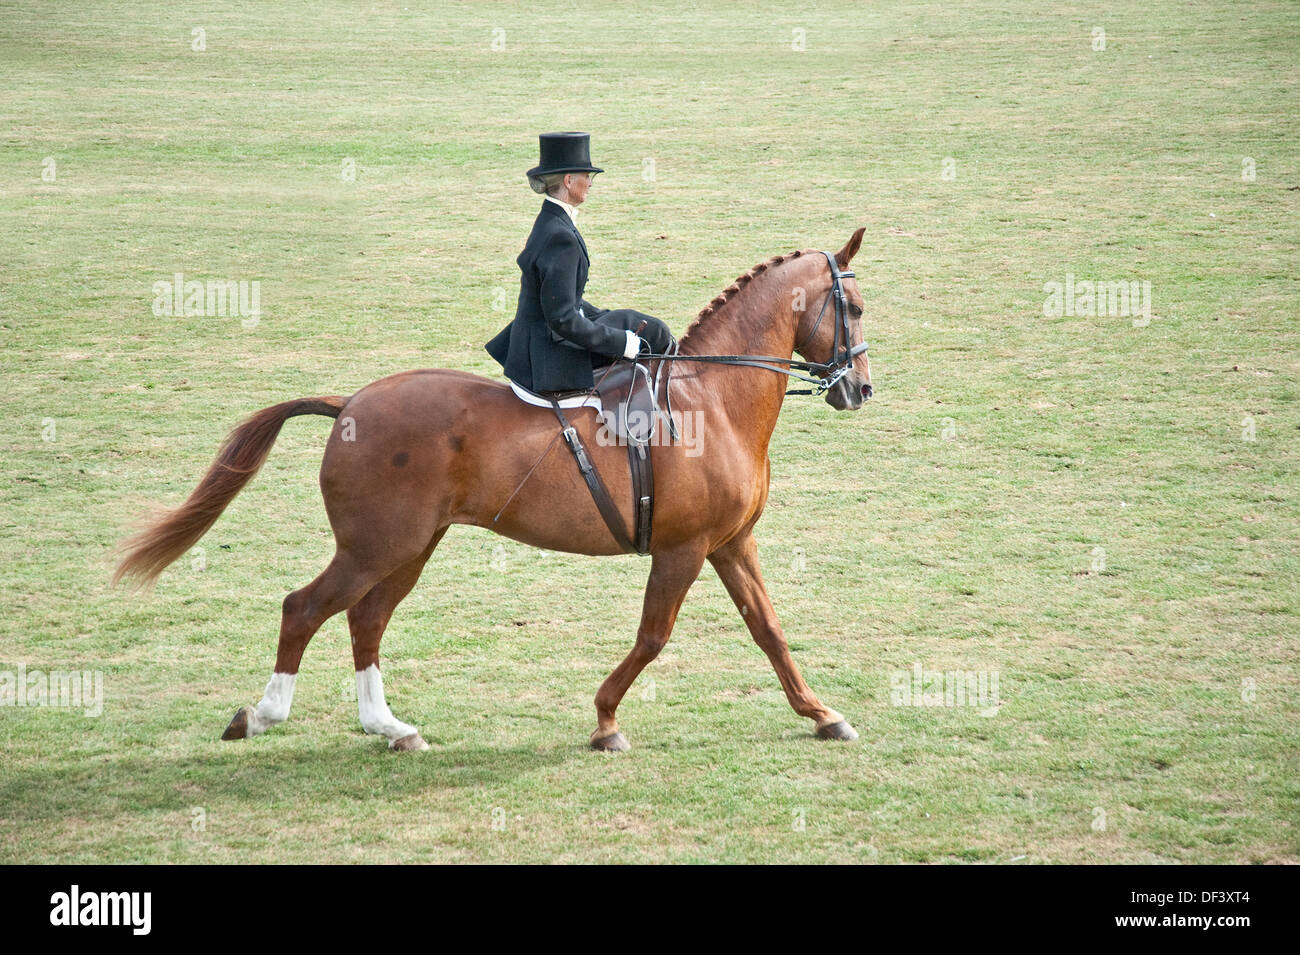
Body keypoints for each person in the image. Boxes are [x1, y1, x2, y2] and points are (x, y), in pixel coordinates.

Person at [486, 132, 675, 394]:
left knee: (652, 328)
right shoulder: (560, 237)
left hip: (542, 334)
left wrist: (600, 317)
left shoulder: (552, 220)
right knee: (653, 337)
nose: (590, 183)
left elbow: (558, 299)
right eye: (587, 177)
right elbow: (562, 319)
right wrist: (622, 344)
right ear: (568, 180)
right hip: (547, 353)